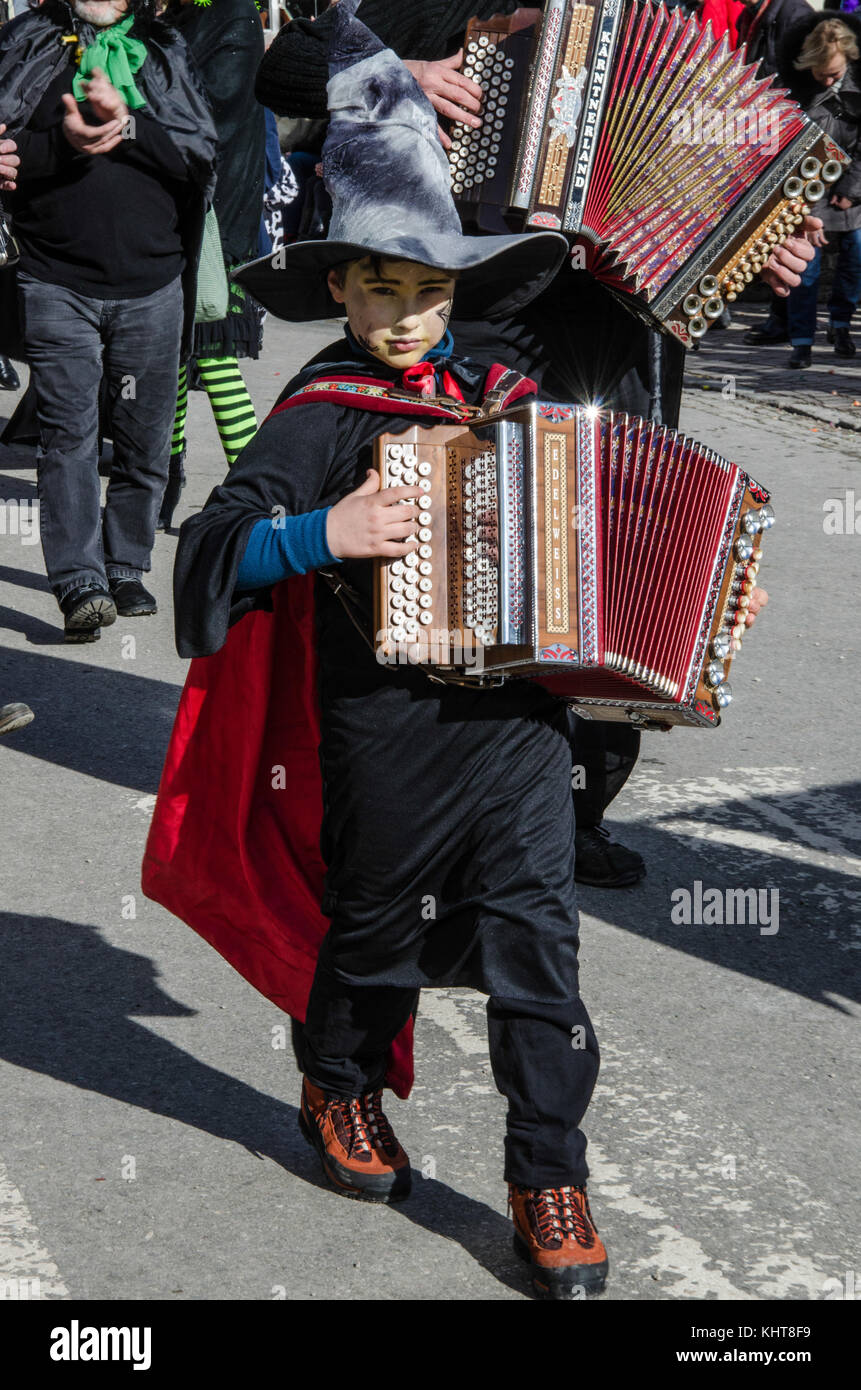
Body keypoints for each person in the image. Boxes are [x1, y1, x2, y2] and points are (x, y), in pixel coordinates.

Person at [252, 0, 816, 889]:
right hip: (479, 327)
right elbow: (283, 65)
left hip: (620, 339)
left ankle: (576, 805)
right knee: (482, 567)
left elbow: (738, 186)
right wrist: (397, 74)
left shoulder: (660, 27)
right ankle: (441, 800)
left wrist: (763, 243)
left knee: (609, 563)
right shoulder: (435, 5)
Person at [0, 0, 217, 639]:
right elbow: (9, 155)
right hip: (55, 280)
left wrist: (131, 126)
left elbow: (197, 163)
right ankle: (79, 581)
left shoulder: (165, 49)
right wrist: (64, 145)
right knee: (67, 434)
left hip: (153, 285)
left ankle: (126, 564)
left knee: (145, 440)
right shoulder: (24, 43)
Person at [157, 0, 266, 530]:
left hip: (219, 212)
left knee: (214, 349)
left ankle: (250, 482)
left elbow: (214, 108)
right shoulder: (177, 17)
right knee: (179, 349)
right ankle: (168, 471)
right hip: (172, 205)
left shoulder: (235, 15)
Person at [779, 14, 861, 367]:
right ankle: (801, 341)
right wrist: (805, 207)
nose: (828, 80)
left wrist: (850, 189)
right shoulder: (794, 94)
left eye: (835, 74)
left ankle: (840, 325)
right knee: (806, 269)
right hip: (808, 191)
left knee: (856, 260)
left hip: (850, 192)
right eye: (821, 74)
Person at [738, 0, 816, 345]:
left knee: (789, 229)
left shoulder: (794, 13)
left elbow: (800, 81)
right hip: (758, 132)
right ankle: (779, 319)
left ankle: (789, 325)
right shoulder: (751, 15)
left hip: (782, 135)